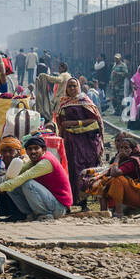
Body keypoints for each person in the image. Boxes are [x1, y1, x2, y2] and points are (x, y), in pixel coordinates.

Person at [53, 77, 104, 210]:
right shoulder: (64, 102)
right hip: (70, 141)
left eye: (74, 86)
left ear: (79, 87)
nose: (72, 89)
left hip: (85, 141)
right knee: (71, 170)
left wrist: (75, 123)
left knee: (84, 169)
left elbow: (95, 120)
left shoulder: (84, 101)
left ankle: (85, 202)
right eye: (69, 86)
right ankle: (71, 201)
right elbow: (61, 123)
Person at [0, 135, 71, 219]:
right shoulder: (32, 161)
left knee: (27, 183)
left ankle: (45, 215)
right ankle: (29, 215)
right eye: (30, 149)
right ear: (26, 151)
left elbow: (25, 176)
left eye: (36, 148)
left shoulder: (46, 161)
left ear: (43, 150)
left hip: (59, 207)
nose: (33, 151)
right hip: (49, 201)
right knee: (11, 185)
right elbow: (15, 175)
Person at [91, 132, 140, 217]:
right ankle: (104, 211)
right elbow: (108, 172)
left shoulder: (133, 161)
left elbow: (114, 173)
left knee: (118, 179)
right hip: (129, 193)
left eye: (126, 148)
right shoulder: (120, 159)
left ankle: (119, 212)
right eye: (121, 147)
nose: (122, 150)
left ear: (133, 149)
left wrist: (117, 158)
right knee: (104, 180)